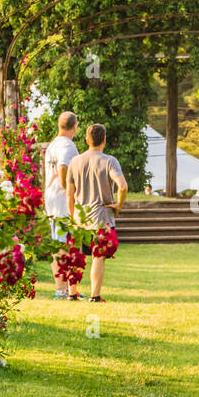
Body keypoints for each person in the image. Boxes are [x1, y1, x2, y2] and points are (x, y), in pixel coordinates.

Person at [67, 123, 128, 303]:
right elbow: (122, 186)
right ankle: (94, 296)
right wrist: (119, 205)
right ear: (105, 140)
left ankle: (72, 293)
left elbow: (70, 193)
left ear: (87, 140)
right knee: (98, 257)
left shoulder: (75, 161)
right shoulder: (109, 161)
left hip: (79, 217)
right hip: (101, 218)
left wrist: (72, 217)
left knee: (76, 257)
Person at [43, 111, 81, 300]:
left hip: (51, 199)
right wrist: (69, 190)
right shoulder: (67, 145)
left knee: (58, 243)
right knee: (64, 245)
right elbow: (63, 167)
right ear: (75, 127)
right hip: (61, 201)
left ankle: (64, 288)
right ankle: (63, 290)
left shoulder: (52, 145)